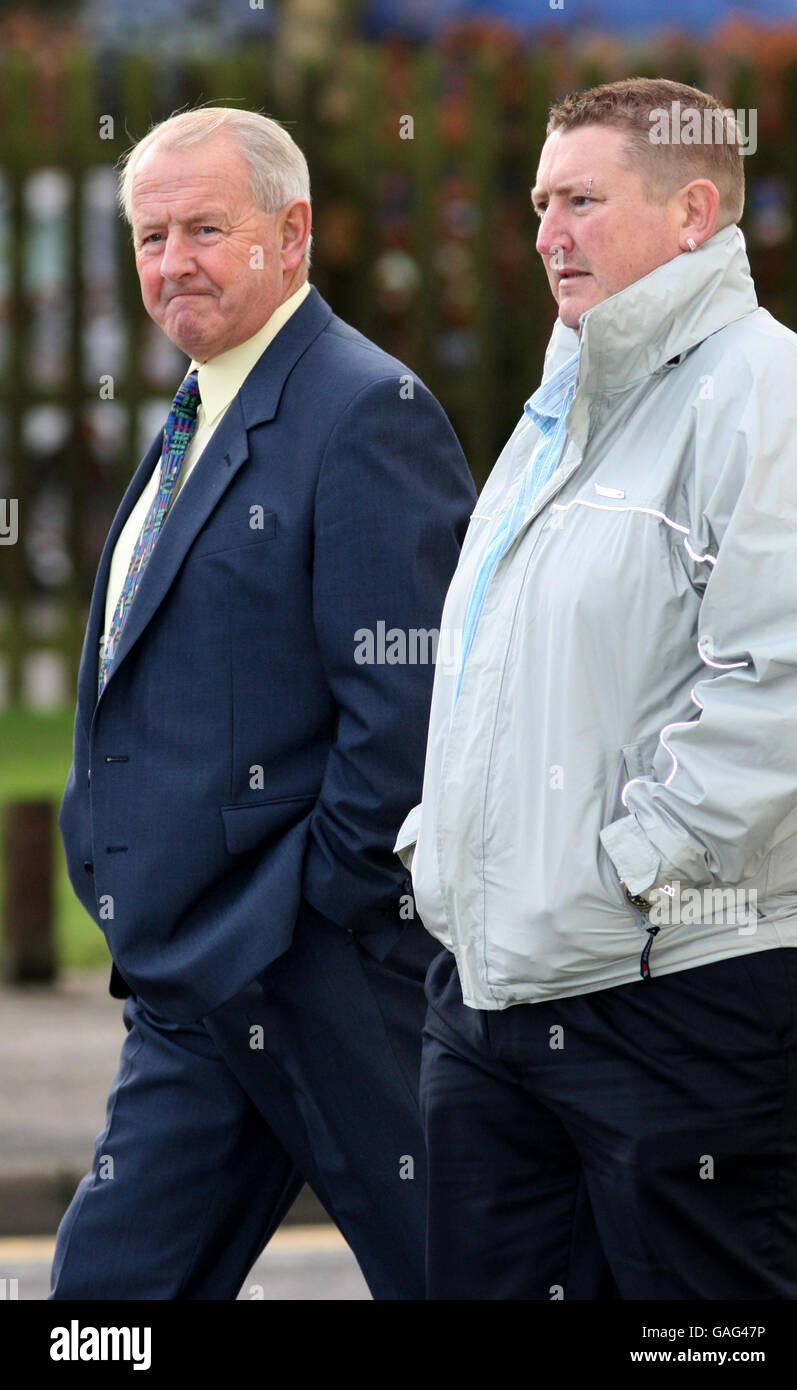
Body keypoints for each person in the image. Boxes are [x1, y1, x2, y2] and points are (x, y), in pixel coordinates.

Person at [397, 77, 797, 1299]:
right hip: (495, 997)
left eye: (579, 199)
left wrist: (638, 868)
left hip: (682, 991)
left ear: (692, 210)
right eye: (538, 202)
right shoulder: (556, 408)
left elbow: (783, 676)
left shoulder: (768, 392)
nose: (543, 235)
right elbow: (494, 665)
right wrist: (446, 860)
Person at [51, 107, 475, 1300]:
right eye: (149, 236)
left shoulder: (363, 413)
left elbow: (404, 719)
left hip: (322, 974)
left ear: (290, 235)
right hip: (195, 987)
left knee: (457, 1275)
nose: (171, 260)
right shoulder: (197, 406)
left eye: (203, 228)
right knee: (105, 1302)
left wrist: (291, 915)